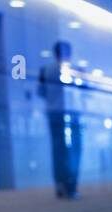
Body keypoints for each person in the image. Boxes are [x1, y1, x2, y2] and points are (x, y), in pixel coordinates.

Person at [38, 41, 84, 199]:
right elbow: (85, 90)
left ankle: (60, 185)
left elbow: (41, 92)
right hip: (73, 116)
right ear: (69, 53)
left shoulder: (45, 70)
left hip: (54, 114)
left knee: (58, 152)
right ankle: (71, 186)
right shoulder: (75, 70)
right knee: (73, 152)